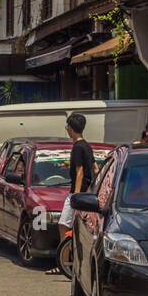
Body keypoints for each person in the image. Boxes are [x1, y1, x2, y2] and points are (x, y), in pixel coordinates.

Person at [51, 113, 97, 275]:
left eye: (67, 127)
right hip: (88, 193)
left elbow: (80, 171)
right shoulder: (86, 146)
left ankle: (64, 262)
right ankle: (70, 260)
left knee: (63, 224)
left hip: (77, 194)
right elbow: (95, 168)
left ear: (70, 129)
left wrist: (75, 197)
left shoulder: (77, 147)